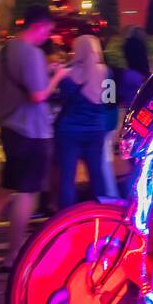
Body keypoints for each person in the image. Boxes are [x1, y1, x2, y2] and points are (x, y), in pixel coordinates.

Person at [0, 4, 69, 268]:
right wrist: (57, 76)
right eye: (48, 29)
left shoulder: (2, 51)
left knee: (5, 188)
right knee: (27, 192)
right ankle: (15, 256)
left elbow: (20, 83)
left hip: (10, 129)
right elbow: (38, 96)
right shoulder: (32, 53)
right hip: (33, 131)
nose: (49, 35)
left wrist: (44, 74)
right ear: (39, 26)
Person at [54, 34, 110, 209]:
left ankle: (65, 220)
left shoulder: (67, 75)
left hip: (69, 131)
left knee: (67, 178)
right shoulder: (107, 72)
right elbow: (110, 100)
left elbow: (62, 99)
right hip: (96, 130)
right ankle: (102, 214)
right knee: (97, 175)